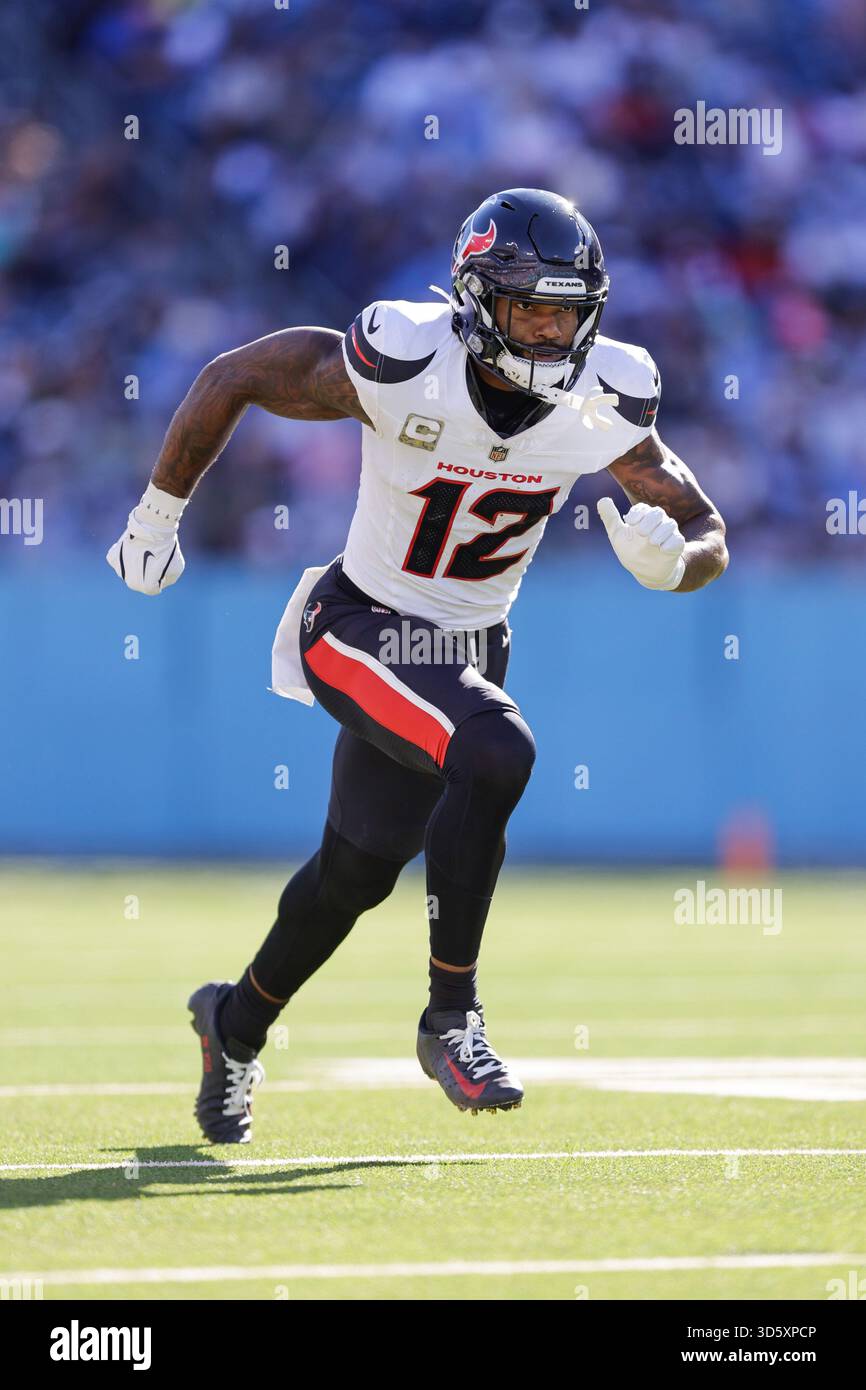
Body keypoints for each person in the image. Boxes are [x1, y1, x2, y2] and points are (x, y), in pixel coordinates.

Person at [107, 188, 728, 1142]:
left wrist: (675, 566)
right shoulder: (405, 358)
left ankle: (231, 1026)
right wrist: (156, 512)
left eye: (569, 310)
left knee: (354, 875)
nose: (553, 329)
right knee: (497, 749)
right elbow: (236, 373)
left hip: (469, 648)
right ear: (478, 299)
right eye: (531, 307)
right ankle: (453, 1017)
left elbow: (705, 528)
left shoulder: (607, 394)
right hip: (361, 624)